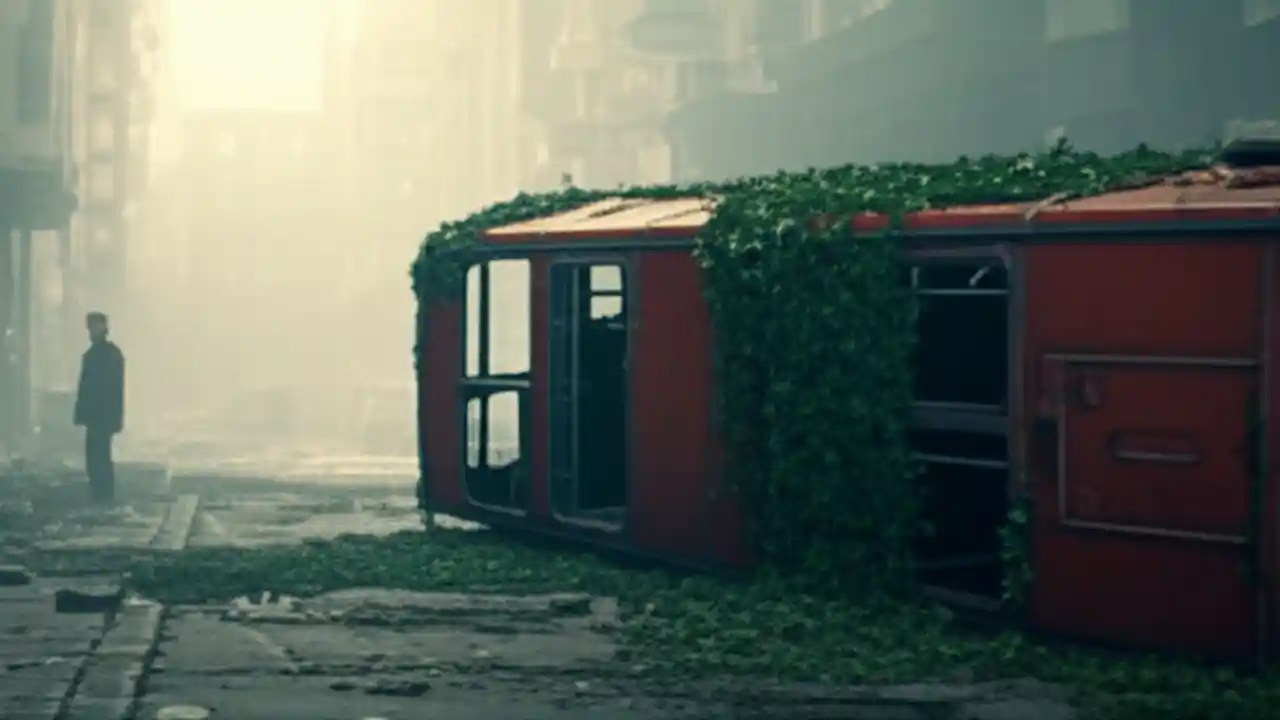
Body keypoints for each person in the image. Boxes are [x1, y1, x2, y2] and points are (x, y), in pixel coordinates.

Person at [73, 312, 125, 504]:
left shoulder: (106, 355)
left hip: (101, 415)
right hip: (98, 415)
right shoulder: (100, 354)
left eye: (93, 327)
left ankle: (102, 494)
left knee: (99, 456)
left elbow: (113, 389)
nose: (90, 331)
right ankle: (100, 494)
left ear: (103, 328)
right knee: (96, 456)